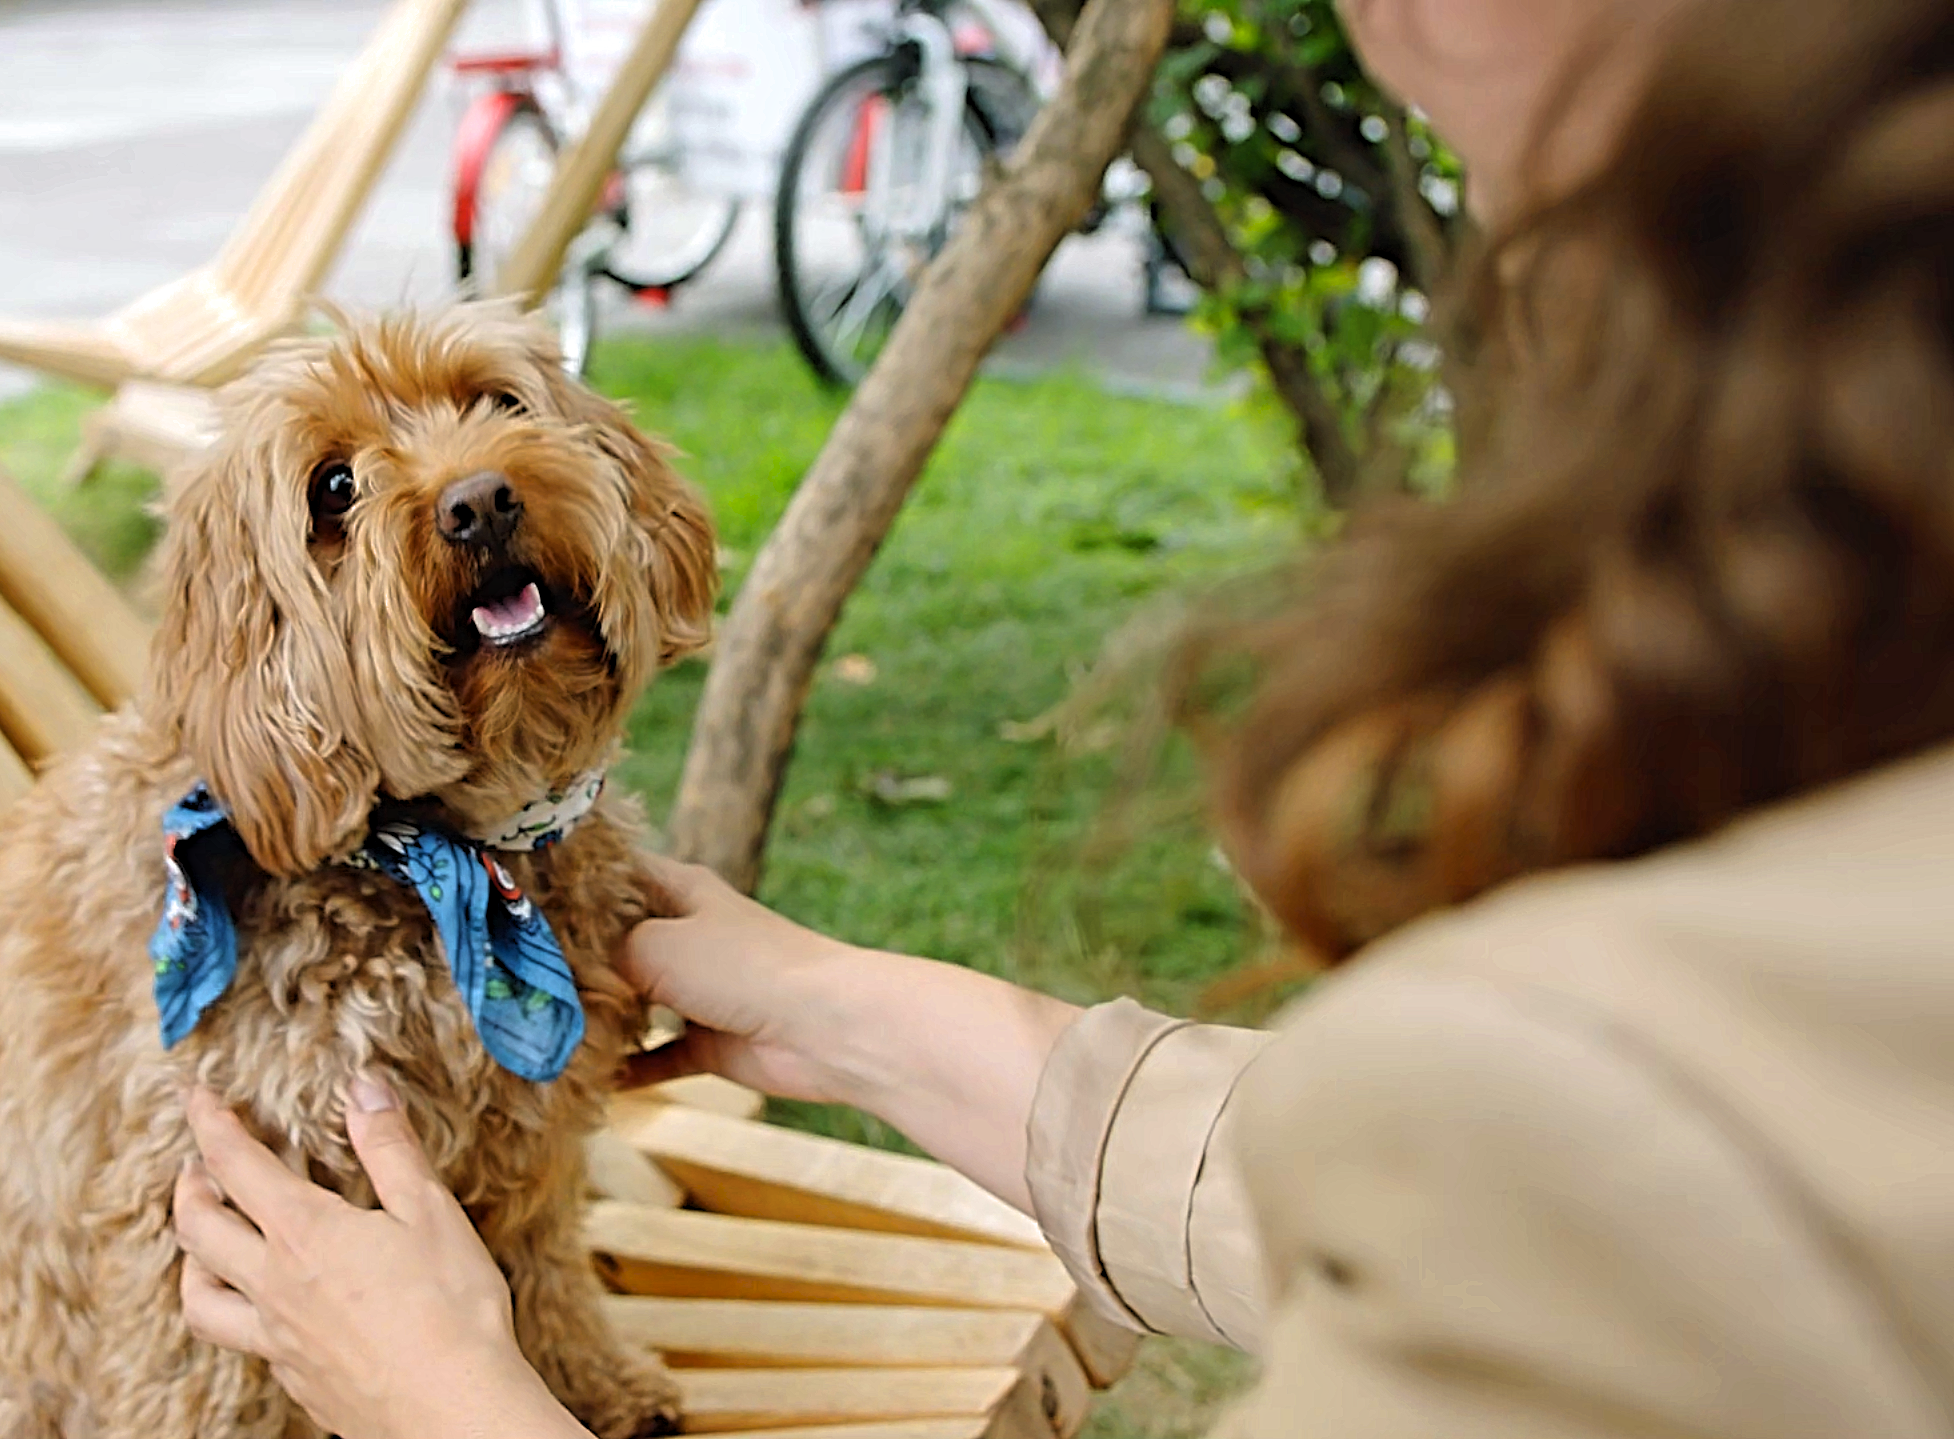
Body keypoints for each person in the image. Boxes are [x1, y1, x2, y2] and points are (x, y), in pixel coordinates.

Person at [167, 0, 1954, 1433]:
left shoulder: (1659, 1078)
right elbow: (1584, 1246)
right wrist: (857, 1018)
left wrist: (443, 1394)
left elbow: (1582, 1218)